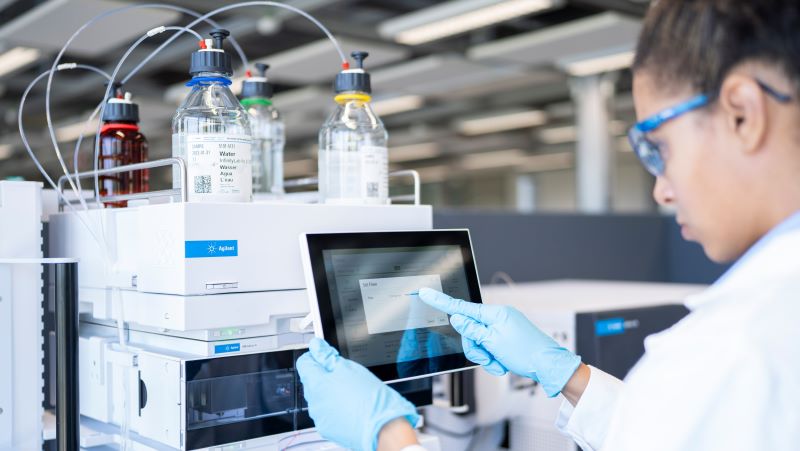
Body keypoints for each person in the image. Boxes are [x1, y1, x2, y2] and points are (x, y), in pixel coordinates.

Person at [296, 0, 800, 449]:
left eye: (659, 146)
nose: (661, 190)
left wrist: (391, 436)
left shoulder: (741, 352)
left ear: (742, 114)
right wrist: (567, 373)